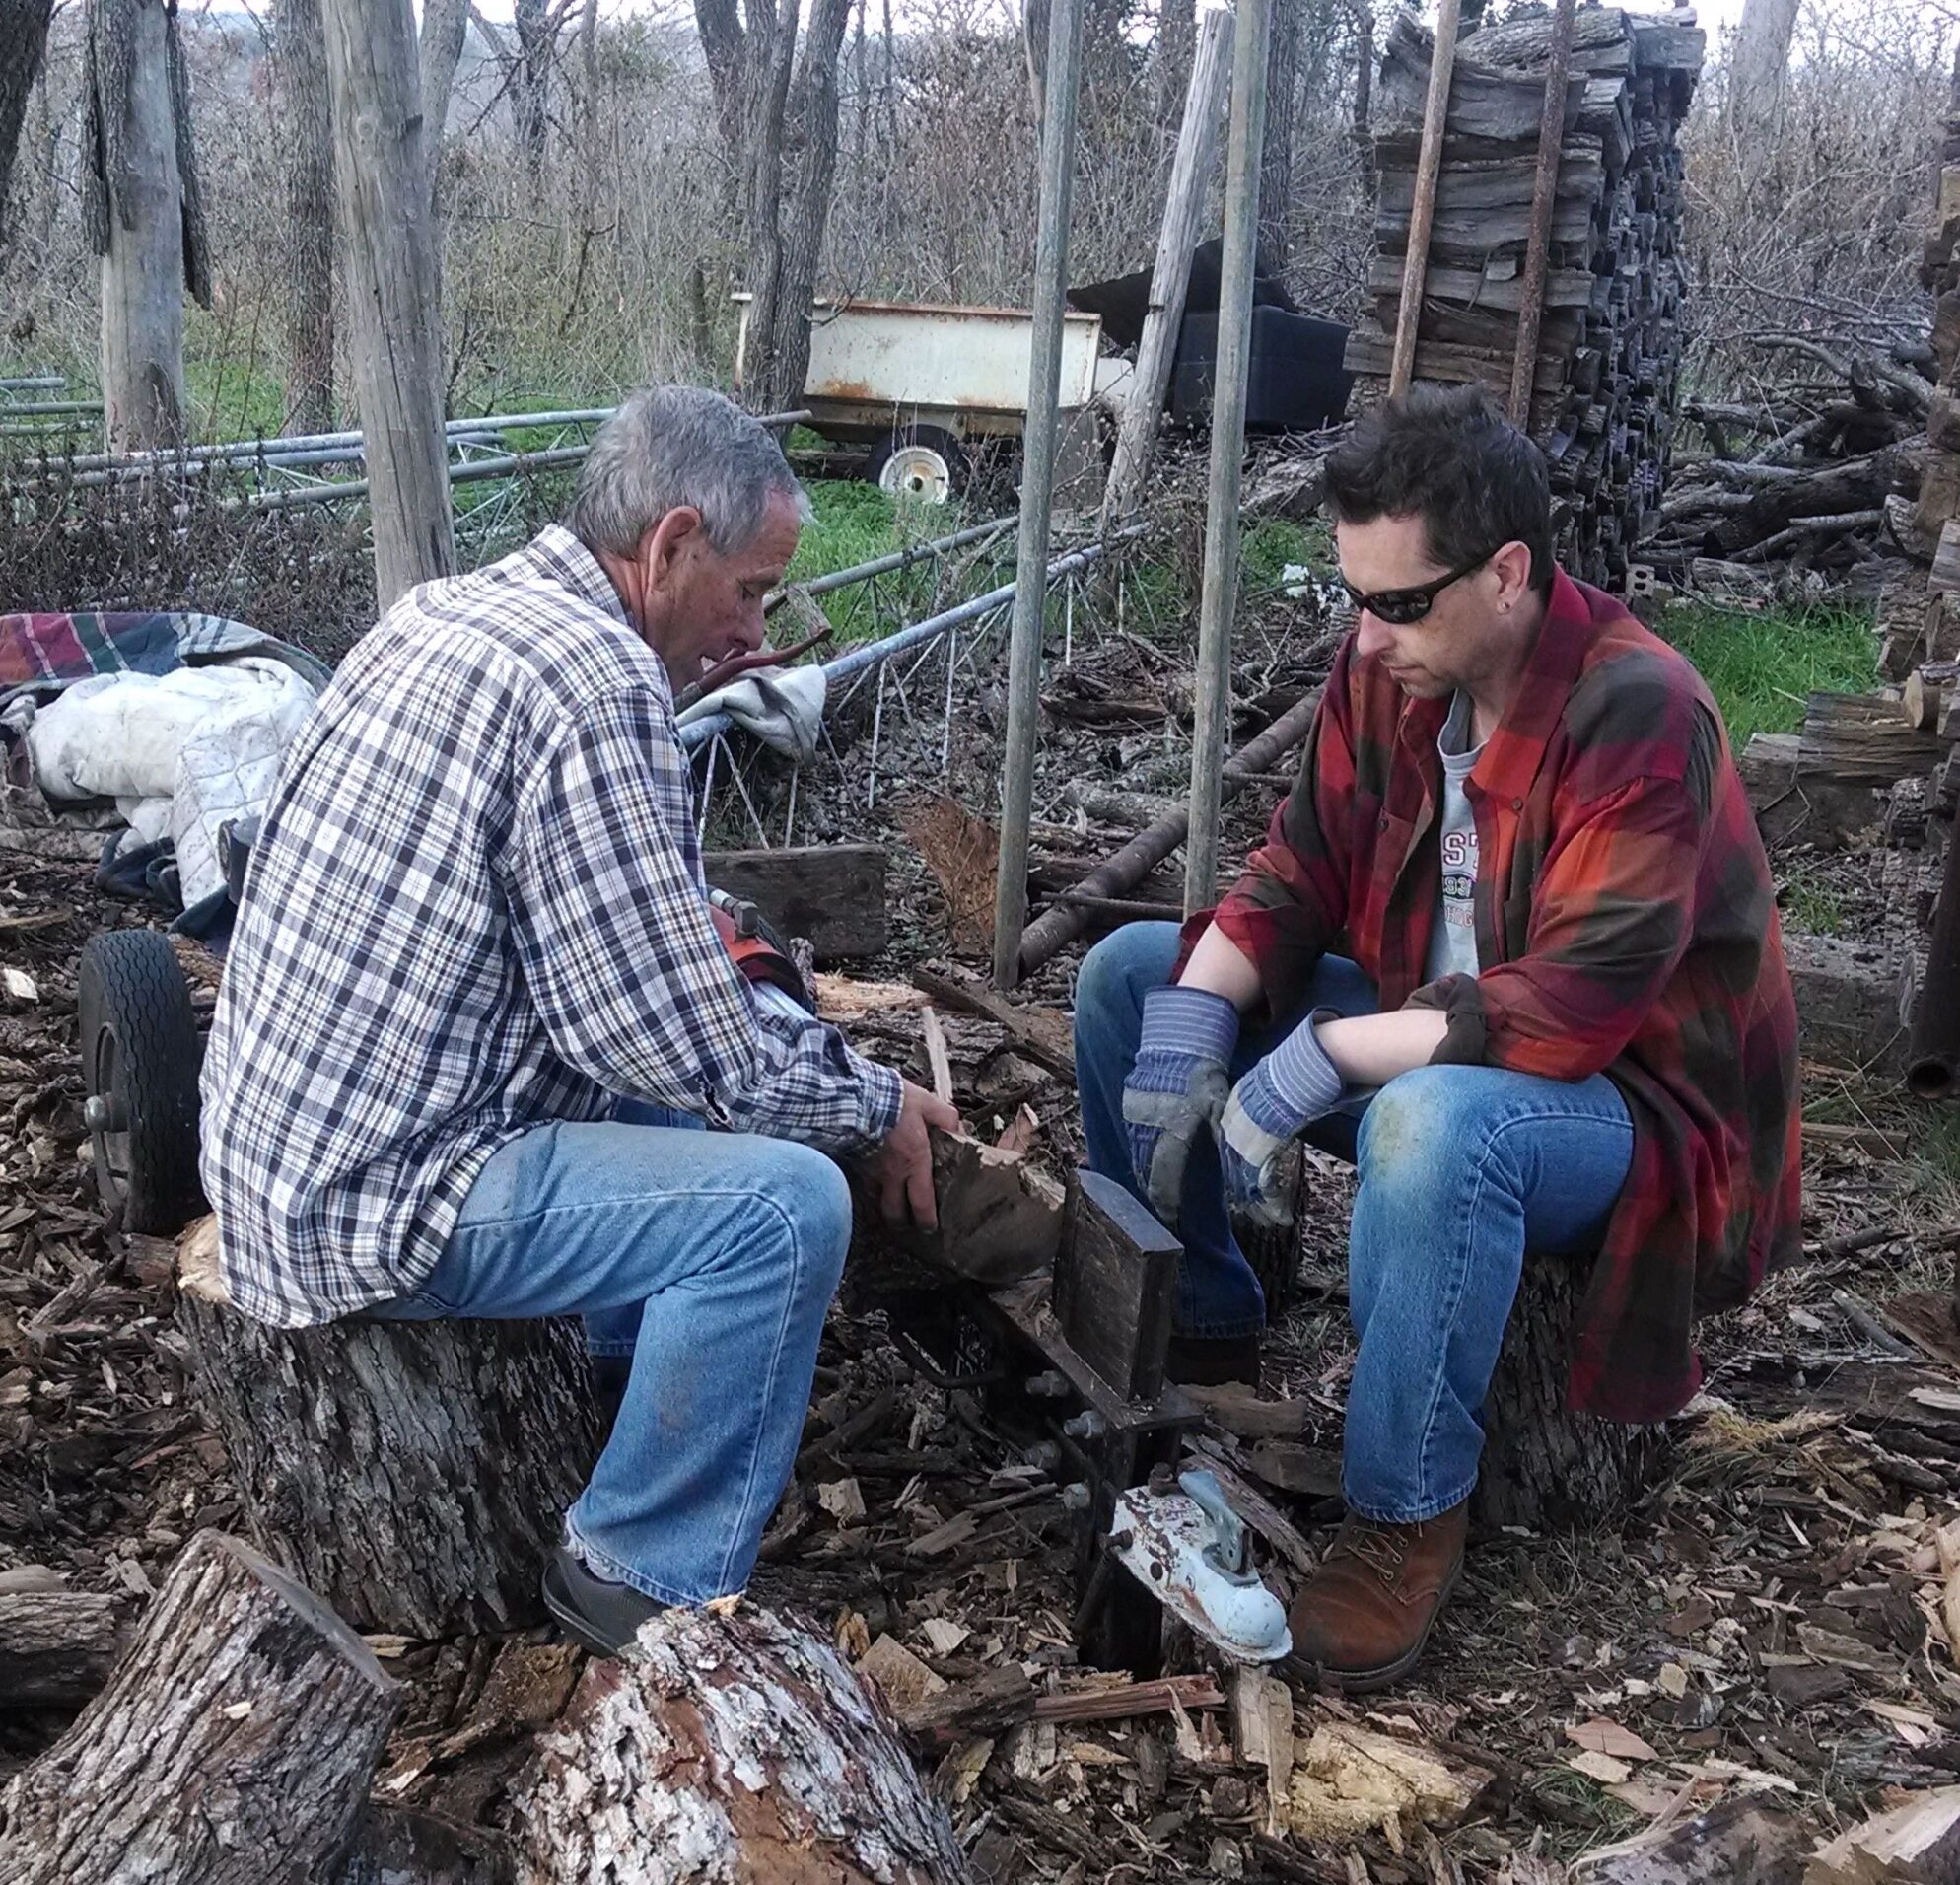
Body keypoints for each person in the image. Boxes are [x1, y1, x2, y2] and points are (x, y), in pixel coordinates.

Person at [200, 384, 956, 1655]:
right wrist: (870, 1105)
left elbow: (613, 967)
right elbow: (659, 1034)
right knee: (782, 1210)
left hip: (279, 1150)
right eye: (754, 589)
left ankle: (631, 1382)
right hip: (380, 1194)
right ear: (670, 547)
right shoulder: (599, 684)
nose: (754, 628)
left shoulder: (450, 609)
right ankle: (639, 1572)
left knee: (705, 1097)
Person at [1076, 382, 1800, 1690]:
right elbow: (1298, 870)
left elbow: (1568, 1013)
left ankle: (1404, 1518)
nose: (1365, 637)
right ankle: (1196, 1337)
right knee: (1134, 976)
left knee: (1433, 1120)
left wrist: (1319, 1059)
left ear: (1509, 575)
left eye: (1398, 602)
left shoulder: (1642, 713)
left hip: (1626, 1111)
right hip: (1448, 1045)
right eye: (1352, 595)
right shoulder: (1393, 679)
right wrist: (1200, 1019)